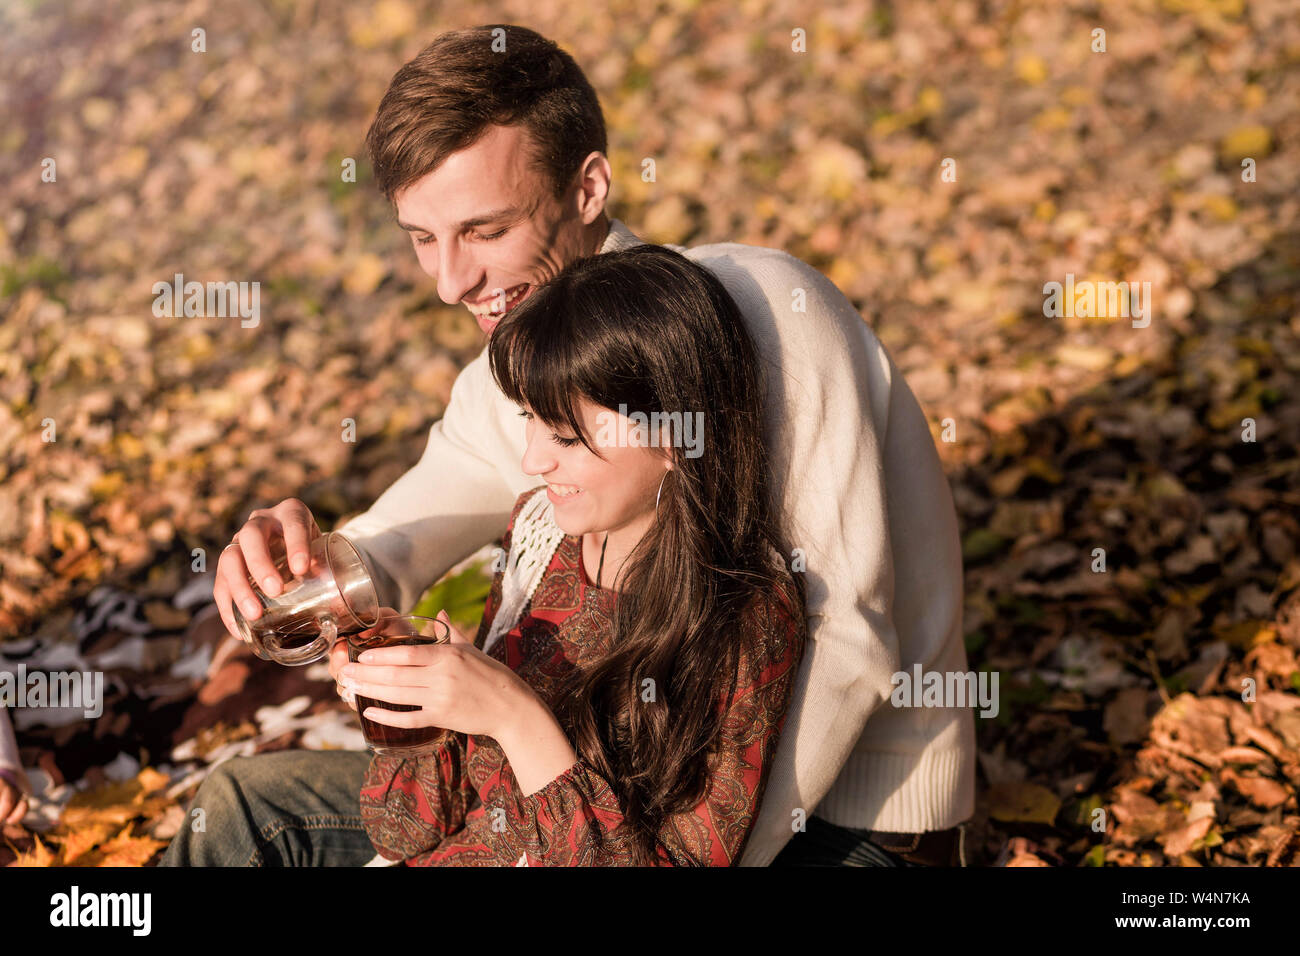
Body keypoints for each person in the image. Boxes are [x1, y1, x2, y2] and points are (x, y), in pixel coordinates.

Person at [165, 23, 973, 867]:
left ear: (588, 188)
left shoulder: (768, 312)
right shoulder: (513, 370)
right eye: (421, 238)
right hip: (565, 787)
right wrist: (302, 574)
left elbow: (850, 632)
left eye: (482, 230)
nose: (449, 283)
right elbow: (407, 532)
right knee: (239, 812)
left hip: (830, 825)